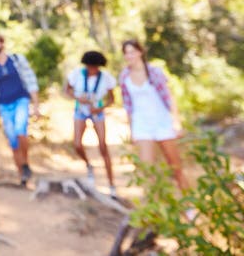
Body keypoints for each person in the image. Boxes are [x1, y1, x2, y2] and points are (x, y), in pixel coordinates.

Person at [119, 40, 189, 192]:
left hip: (162, 122)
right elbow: (128, 106)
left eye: (132, 51)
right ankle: (154, 210)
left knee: (176, 167)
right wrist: (132, 131)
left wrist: (176, 122)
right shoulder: (124, 76)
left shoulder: (154, 72)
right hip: (142, 125)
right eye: (126, 53)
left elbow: (169, 97)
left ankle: (190, 208)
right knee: (147, 171)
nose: (129, 55)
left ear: (140, 52)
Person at [0, 33, 40, 186]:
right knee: (12, 139)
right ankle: (22, 175)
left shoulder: (17, 60)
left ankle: (25, 164)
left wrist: (36, 106)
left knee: (21, 131)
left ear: (2, 44)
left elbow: (31, 81)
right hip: (4, 105)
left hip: (21, 99)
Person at [64, 50, 117, 196]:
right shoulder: (77, 74)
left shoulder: (106, 78)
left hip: (97, 112)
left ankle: (112, 185)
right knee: (77, 144)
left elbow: (112, 99)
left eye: (94, 67)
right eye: (89, 66)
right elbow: (66, 89)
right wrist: (77, 98)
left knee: (102, 146)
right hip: (80, 110)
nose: (91, 69)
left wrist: (101, 107)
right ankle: (89, 166)